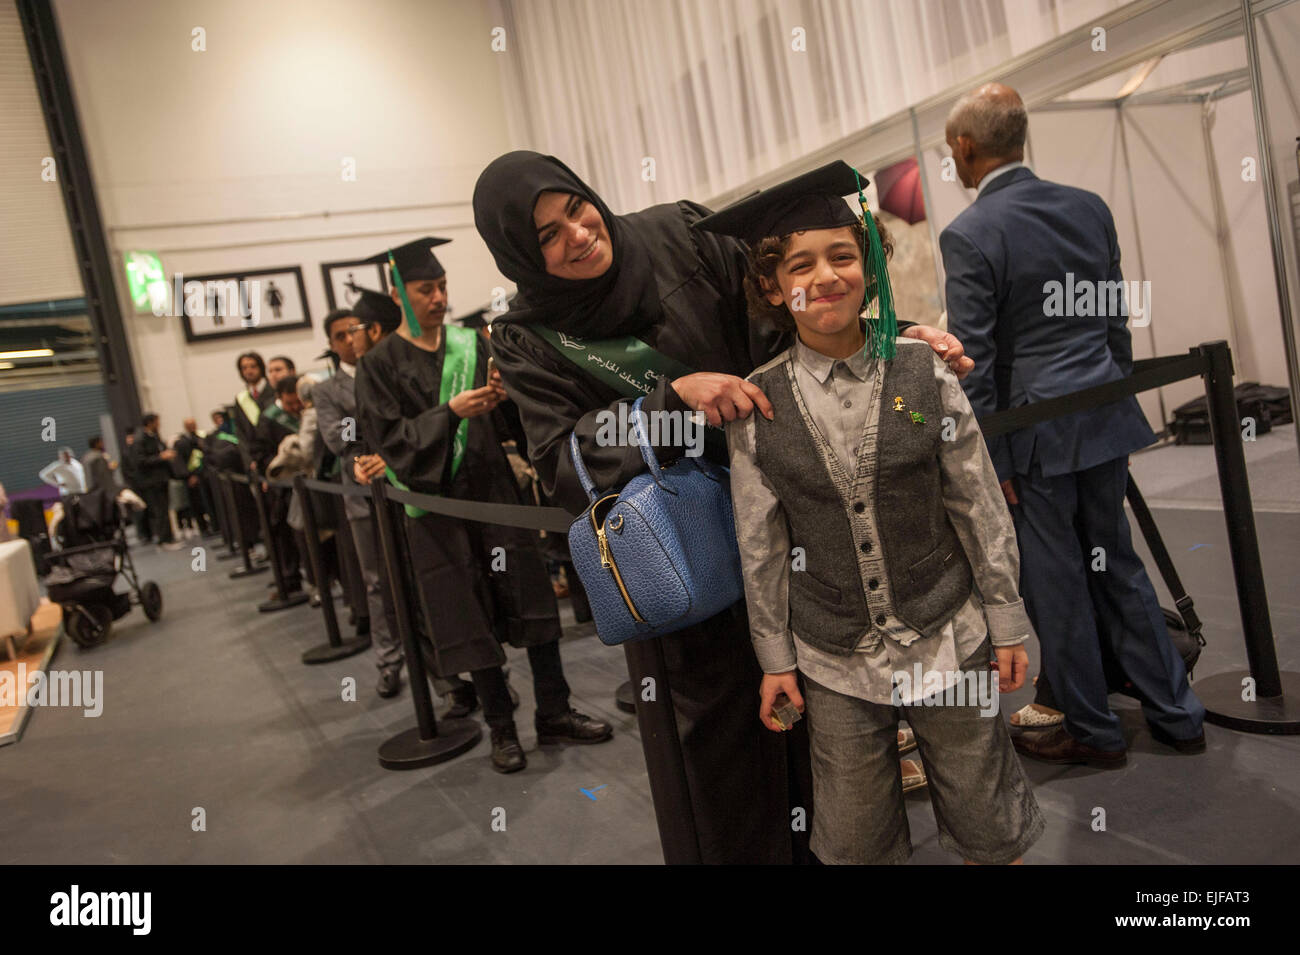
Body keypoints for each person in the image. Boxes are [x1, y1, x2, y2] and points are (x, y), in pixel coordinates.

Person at [473, 149, 972, 864]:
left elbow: (787, 312)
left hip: (794, 529)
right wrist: (670, 403)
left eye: (575, 209)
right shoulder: (527, 336)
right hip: (690, 567)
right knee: (728, 756)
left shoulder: (680, 235)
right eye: (546, 234)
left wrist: (889, 338)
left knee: (836, 730)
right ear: (519, 253)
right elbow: (562, 461)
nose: (577, 235)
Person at [703, 160, 1042, 864]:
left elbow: (977, 502)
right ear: (772, 286)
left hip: (947, 627)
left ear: (870, 266)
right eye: (801, 264)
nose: (825, 276)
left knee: (986, 808)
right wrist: (775, 658)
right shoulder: (757, 407)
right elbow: (760, 544)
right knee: (854, 834)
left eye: (843, 256)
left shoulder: (924, 370)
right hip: (833, 654)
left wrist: (1007, 615)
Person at [940, 83, 1206, 763]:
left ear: (966, 148)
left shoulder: (969, 233)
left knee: (1056, 586)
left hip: (1035, 440)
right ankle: (1179, 716)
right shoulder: (1088, 207)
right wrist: (1116, 406)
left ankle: (1095, 731)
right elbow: (1115, 325)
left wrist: (992, 465)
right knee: (1119, 564)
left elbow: (977, 358)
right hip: (1101, 418)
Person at [355, 237, 612, 773]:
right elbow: (387, 439)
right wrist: (449, 411)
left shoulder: (472, 343)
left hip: (496, 493)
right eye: (426, 289)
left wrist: (502, 394)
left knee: (532, 603)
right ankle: (501, 728)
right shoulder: (378, 363)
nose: (438, 297)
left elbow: (511, 421)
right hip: (438, 509)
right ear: (399, 293)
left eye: (442, 286)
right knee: (468, 616)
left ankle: (555, 711)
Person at [250, 375, 306, 594]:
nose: (294, 408)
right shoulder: (268, 419)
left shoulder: (309, 410)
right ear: (280, 398)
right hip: (282, 487)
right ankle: (290, 578)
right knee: (284, 533)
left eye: (297, 403)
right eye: (289, 403)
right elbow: (259, 453)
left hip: (307, 483)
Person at [135, 414, 181, 550]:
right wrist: (160, 457)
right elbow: (140, 461)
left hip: (161, 479)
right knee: (159, 510)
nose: (159, 424)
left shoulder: (154, 436)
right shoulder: (141, 439)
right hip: (152, 481)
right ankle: (164, 539)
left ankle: (169, 537)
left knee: (165, 509)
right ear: (150, 423)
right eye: (157, 421)